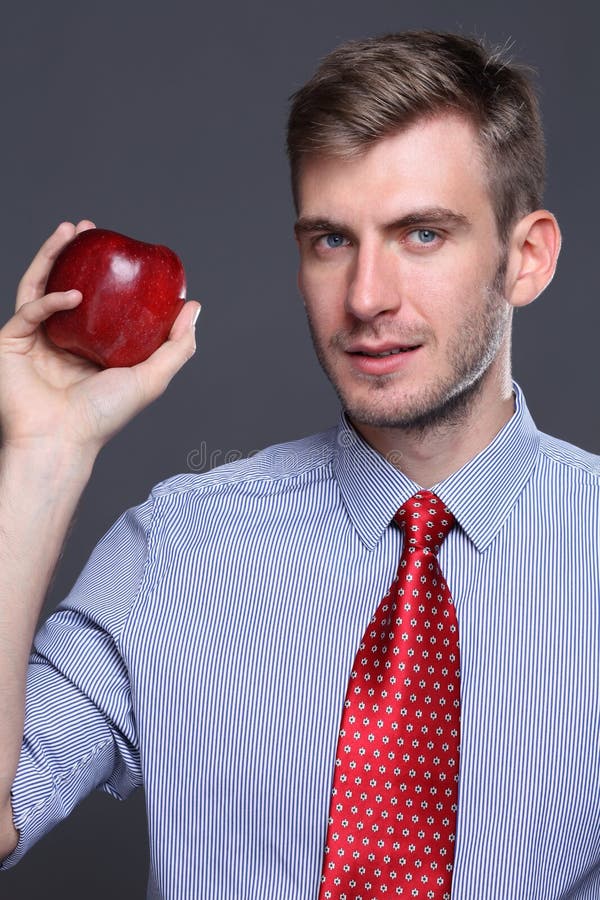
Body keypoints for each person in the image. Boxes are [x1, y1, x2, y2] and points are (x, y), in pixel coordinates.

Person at [0, 28, 596, 900]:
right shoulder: (176, 551)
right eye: (331, 241)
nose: (365, 298)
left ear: (527, 257)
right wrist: (41, 457)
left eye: (422, 234)